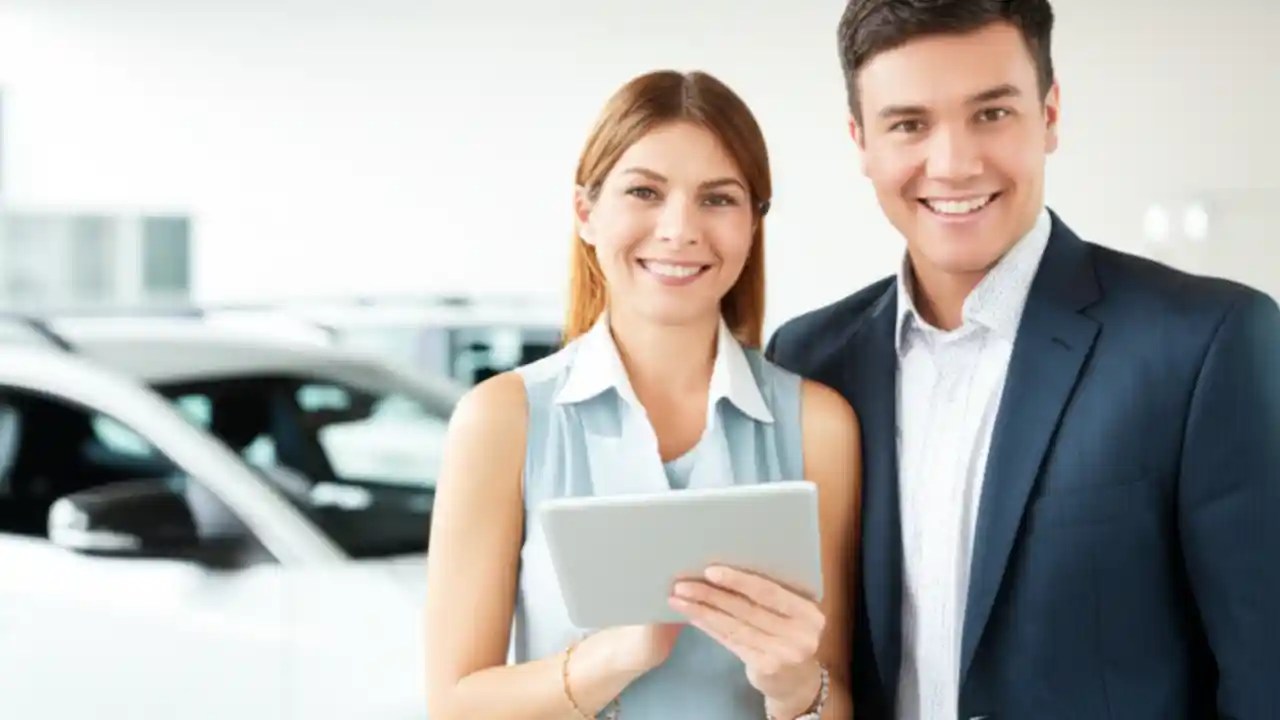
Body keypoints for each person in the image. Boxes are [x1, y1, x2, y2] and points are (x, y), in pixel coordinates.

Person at [766, 1, 1280, 718]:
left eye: (991, 114)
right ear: (862, 141)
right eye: (908, 124)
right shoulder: (809, 361)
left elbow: (1265, 675)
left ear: (1050, 114)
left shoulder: (1208, 342)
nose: (953, 164)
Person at [425, 69, 861, 720]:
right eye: (644, 193)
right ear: (586, 212)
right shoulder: (501, 421)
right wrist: (618, 655)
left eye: (718, 199)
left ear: (752, 224)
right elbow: (453, 706)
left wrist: (795, 685)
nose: (680, 229)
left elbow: (836, 692)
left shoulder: (819, 425)